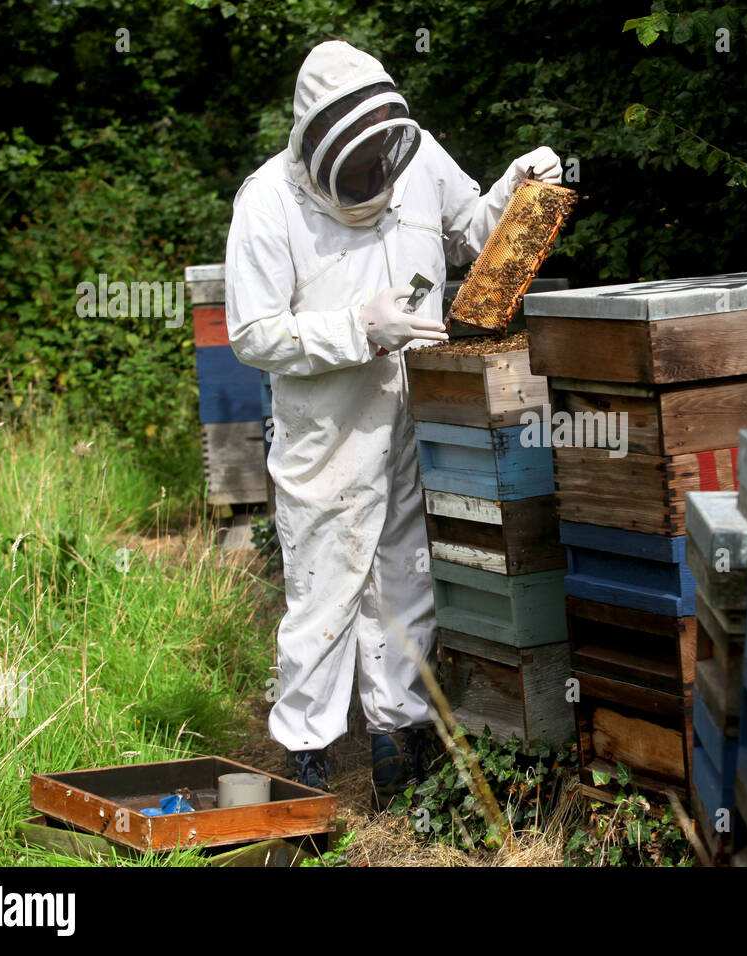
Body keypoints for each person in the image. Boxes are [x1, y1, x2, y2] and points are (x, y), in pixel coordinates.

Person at [223, 40, 562, 808]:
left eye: (383, 156)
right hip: (327, 431)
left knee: (406, 577)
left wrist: (516, 190)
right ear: (315, 142)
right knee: (323, 588)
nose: (376, 175)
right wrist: (357, 328)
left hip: (417, 411)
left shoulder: (415, 156)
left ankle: (394, 740)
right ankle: (301, 754)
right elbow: (253, 334)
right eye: (360, 163)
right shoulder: (268, 202)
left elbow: (475, 234)